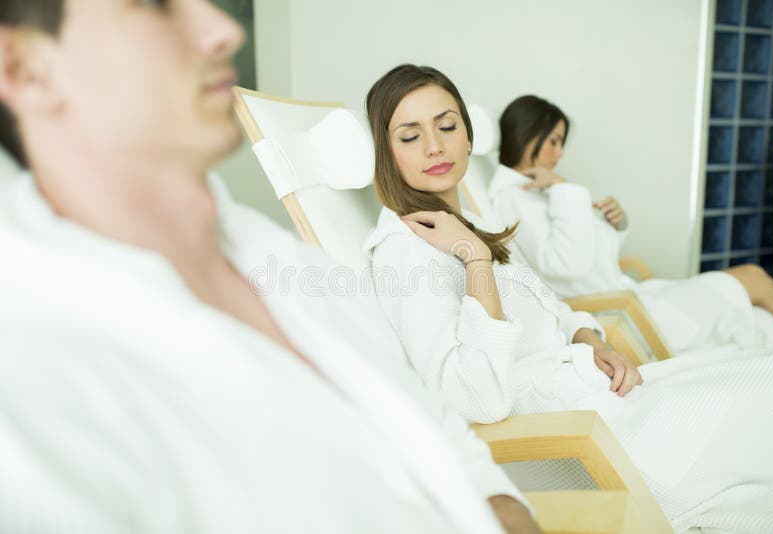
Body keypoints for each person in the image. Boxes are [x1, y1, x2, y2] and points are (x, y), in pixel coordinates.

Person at [0, 2, 540, 533]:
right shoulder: (33, 396)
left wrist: (503, 504)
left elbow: (439, 432)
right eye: (155, 5)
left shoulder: (288, 262)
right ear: (23, 69)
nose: (224, 30)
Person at [364, 63, 773, 533]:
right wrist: (475, 261)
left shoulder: (468, 220)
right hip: (586, 444)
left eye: (447, 126)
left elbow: (551, 304)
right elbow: (478, 399)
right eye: (410, 136)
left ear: (467, 136)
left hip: (604, 399)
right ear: (387, 153)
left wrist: (593, 339)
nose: (435, 146)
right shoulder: (406, 251)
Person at [489, 94, 773, 353]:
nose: (560, 153)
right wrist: (564, 190)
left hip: (630, 299)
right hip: (620, 314)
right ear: (527, 134)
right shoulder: (515, 198)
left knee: (762, 311)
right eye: (554, 141)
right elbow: (568, 265)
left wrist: (613, 223)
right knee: (753, 279)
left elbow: (587, 256)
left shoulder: (536, 191)